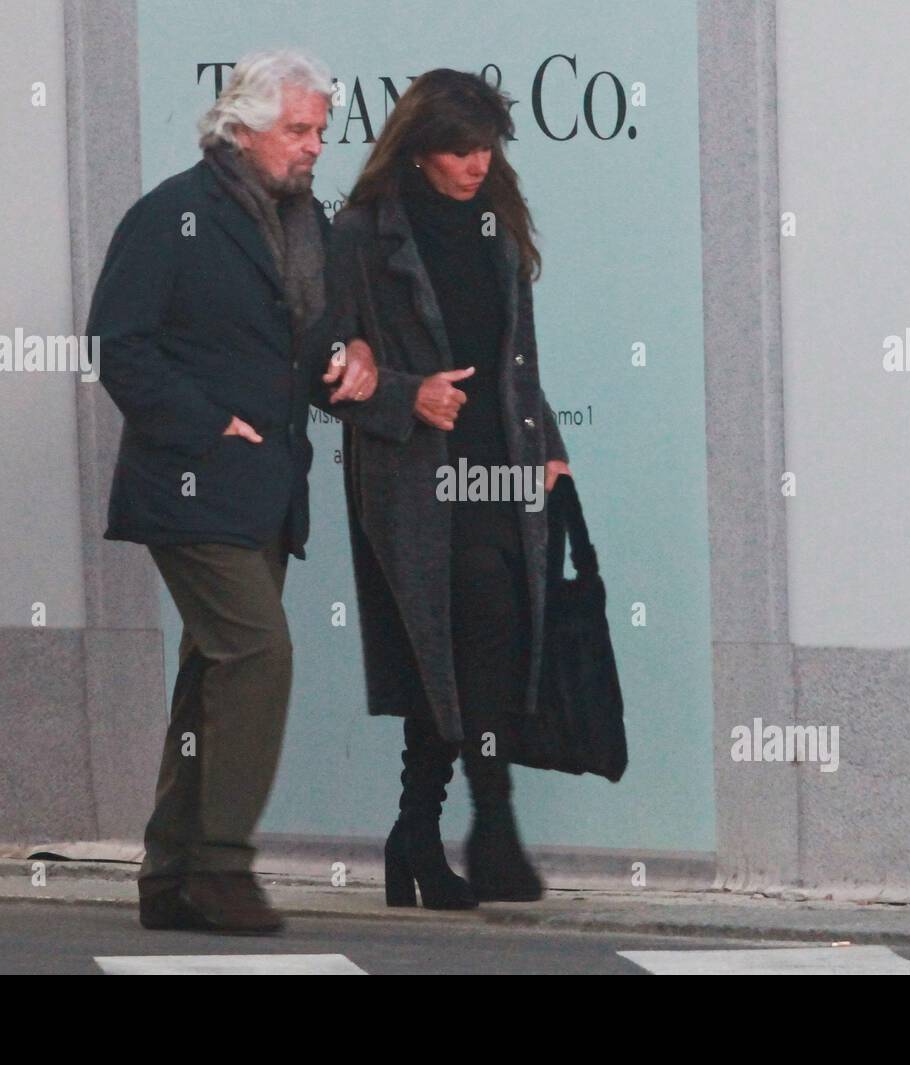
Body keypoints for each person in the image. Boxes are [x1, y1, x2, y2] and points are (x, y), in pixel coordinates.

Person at [88, 49, 383, 934]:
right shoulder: (170, 214)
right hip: (189, 485)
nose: (315, 146)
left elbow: (321, 344)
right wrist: (208, 425)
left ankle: (170, 873)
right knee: (257, 654)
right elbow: (119, 346)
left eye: (322, 130)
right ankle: (220, 867)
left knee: (211, 670)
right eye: (299, 129)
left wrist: (355, 356)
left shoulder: (307, 227)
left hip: (266, 492)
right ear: (241, 130)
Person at [321, 69, 572, 909]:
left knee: (490, 637)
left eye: (486, 147)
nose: (476, 163)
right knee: (450, 638)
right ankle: (472, 831)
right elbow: (327, 370)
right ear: (419, 150)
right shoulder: (360, 235)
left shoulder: (498, 228)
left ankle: (427, 833)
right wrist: (407, 394)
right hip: (416, 474)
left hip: (502, 465)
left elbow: (517, 362)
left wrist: (553, 451)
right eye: (459, 148)